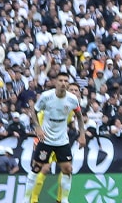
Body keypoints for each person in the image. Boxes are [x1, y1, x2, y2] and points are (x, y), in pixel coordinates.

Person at [26, 70, 85, 203]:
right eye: (73, 90)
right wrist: (38, 130)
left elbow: (75, 118)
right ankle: (33, 200)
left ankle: (61, 200)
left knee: (66, 168)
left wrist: (82, 135)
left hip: (60, 140)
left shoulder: (71, 103)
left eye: (77, 90)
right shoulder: (49, 100)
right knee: (43, 168)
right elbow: (37, 114)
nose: (75, 92)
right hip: (44, 137)